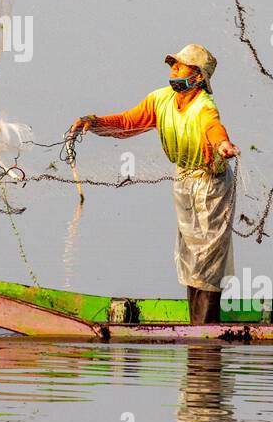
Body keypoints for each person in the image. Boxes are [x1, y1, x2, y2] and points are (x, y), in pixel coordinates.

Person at [69, 44, 240, 324]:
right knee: (190, 257)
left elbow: (214, 129)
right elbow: (127, 123)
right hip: (184, 180)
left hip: (211, 183)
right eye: (173, 64)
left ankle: (206, 328)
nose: (173, 69)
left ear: (198, 77)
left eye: (180, 65)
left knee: (208, 259)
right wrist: (94, 122)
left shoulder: (205, 107)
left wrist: (223, 145)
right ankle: (200, 325)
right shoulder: (160, 100)